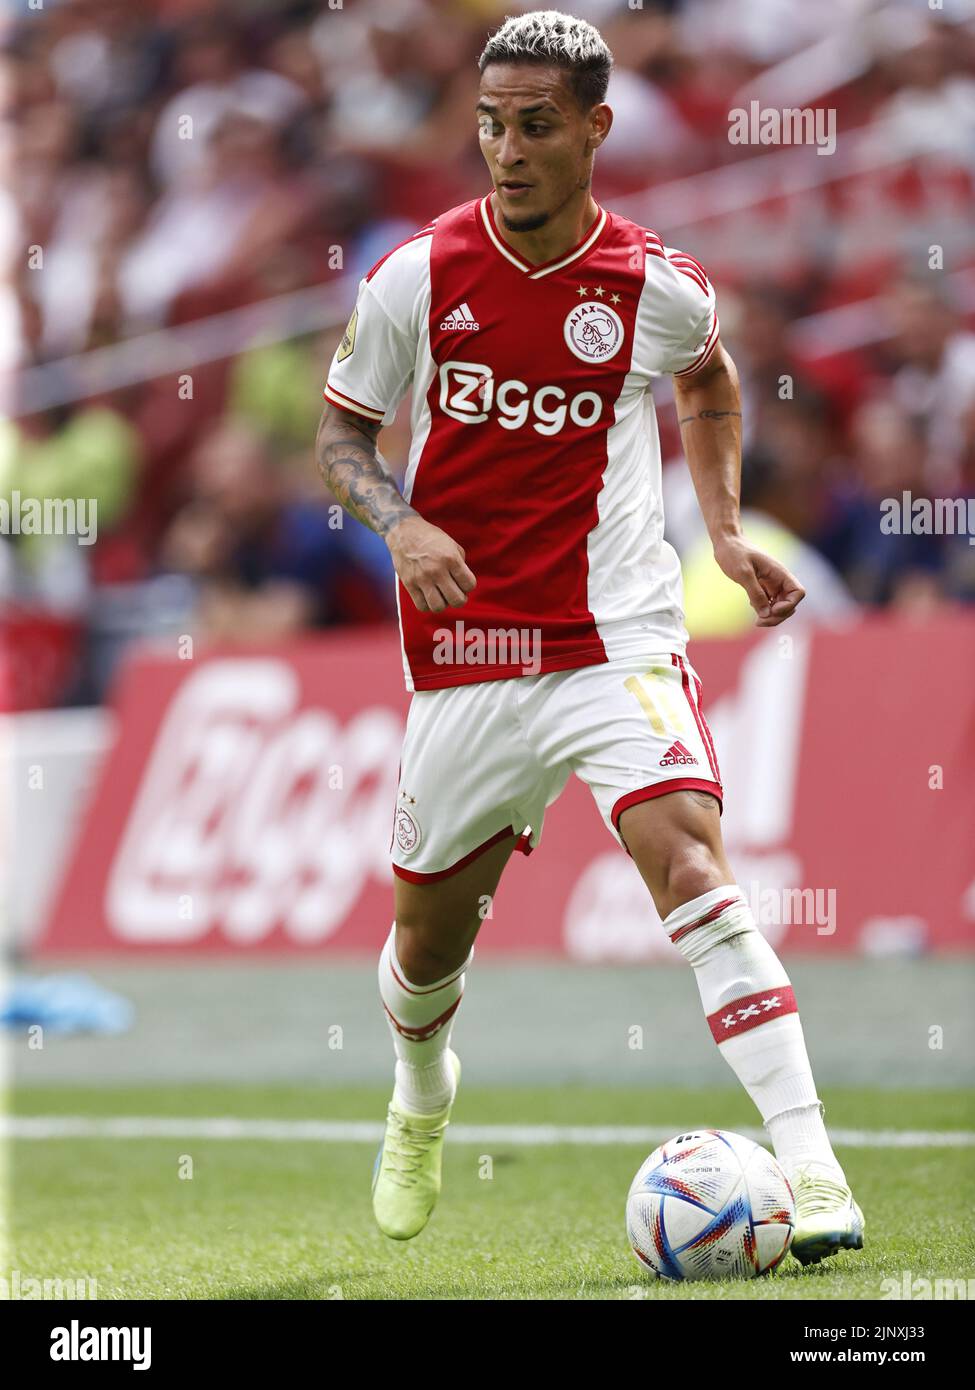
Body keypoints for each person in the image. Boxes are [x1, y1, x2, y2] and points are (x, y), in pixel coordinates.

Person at [315, 10, 864, 1266]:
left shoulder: (655, 288)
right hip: (467, 658)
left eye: (536, 125)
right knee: (422, 949)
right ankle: (421, 1094)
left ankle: (817, 1167)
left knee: (692, 865)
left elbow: (711, 380)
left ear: (595, 130)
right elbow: (340, 436)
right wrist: (399, 525)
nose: (506, 149)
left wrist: (720, 533)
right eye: (491, 123)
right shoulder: (417, 275)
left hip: (613, 635)